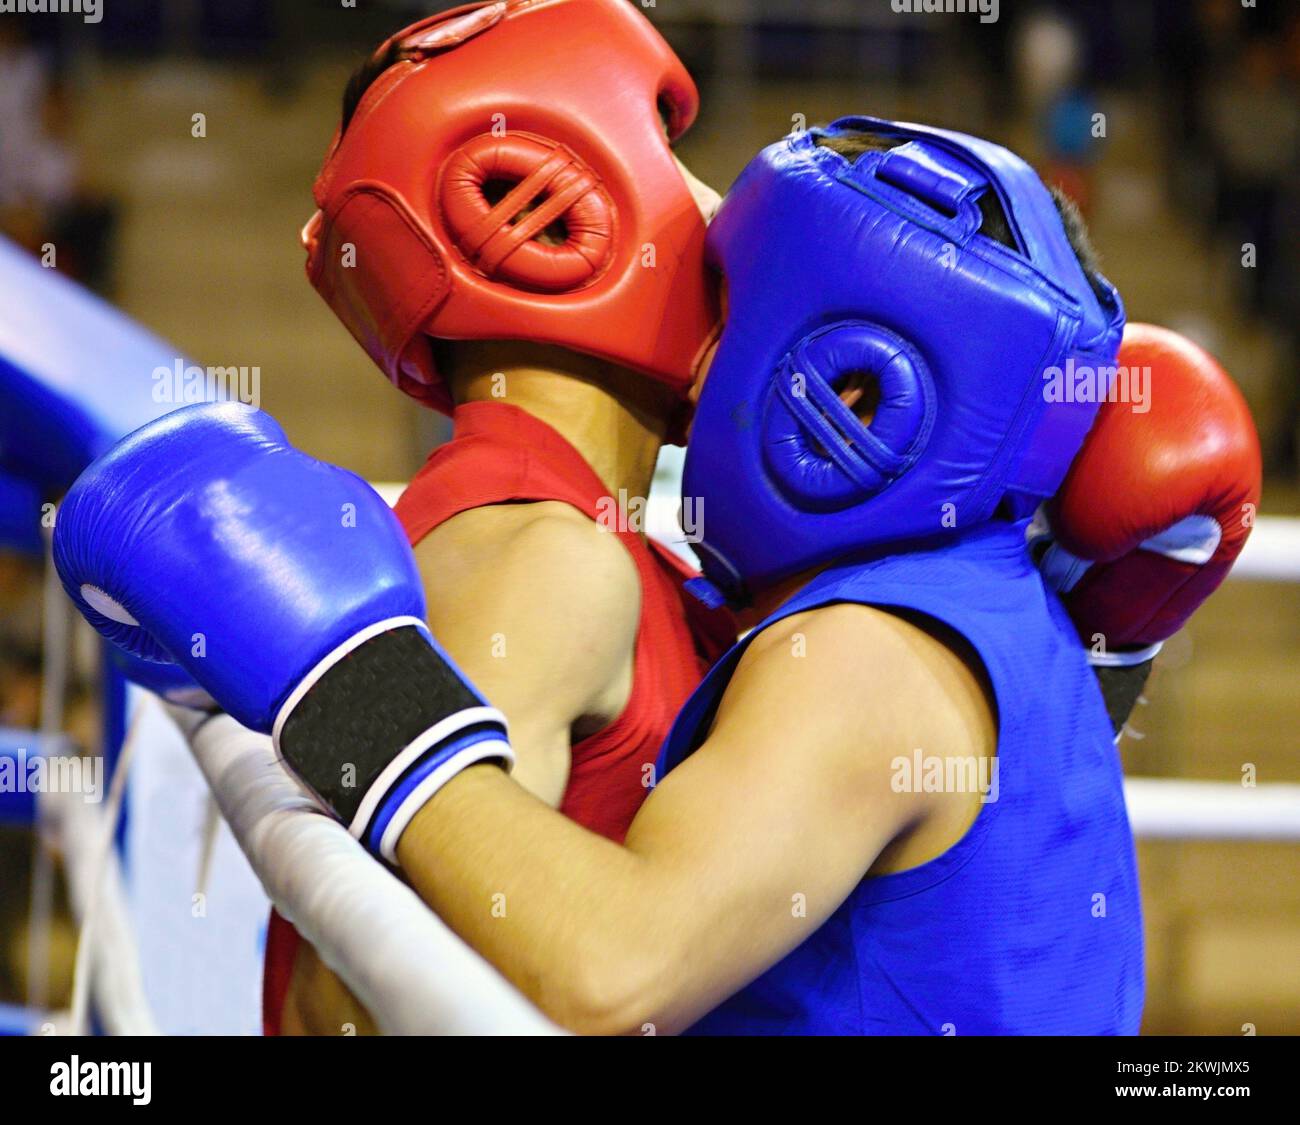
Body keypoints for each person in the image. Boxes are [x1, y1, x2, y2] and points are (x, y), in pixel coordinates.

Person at [55, 119, 1261, 1035]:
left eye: (729, 312)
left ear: (853, 391)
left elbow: (612, 968)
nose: (691, 366)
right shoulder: (983, 606)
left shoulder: (864, 656)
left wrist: (347, 682)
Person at [270, 0, 733, 1033]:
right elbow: (355, 1002)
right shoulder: (537, 555)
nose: (716, 208)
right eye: (670, 149)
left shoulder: (583, 535)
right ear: (555, 207)